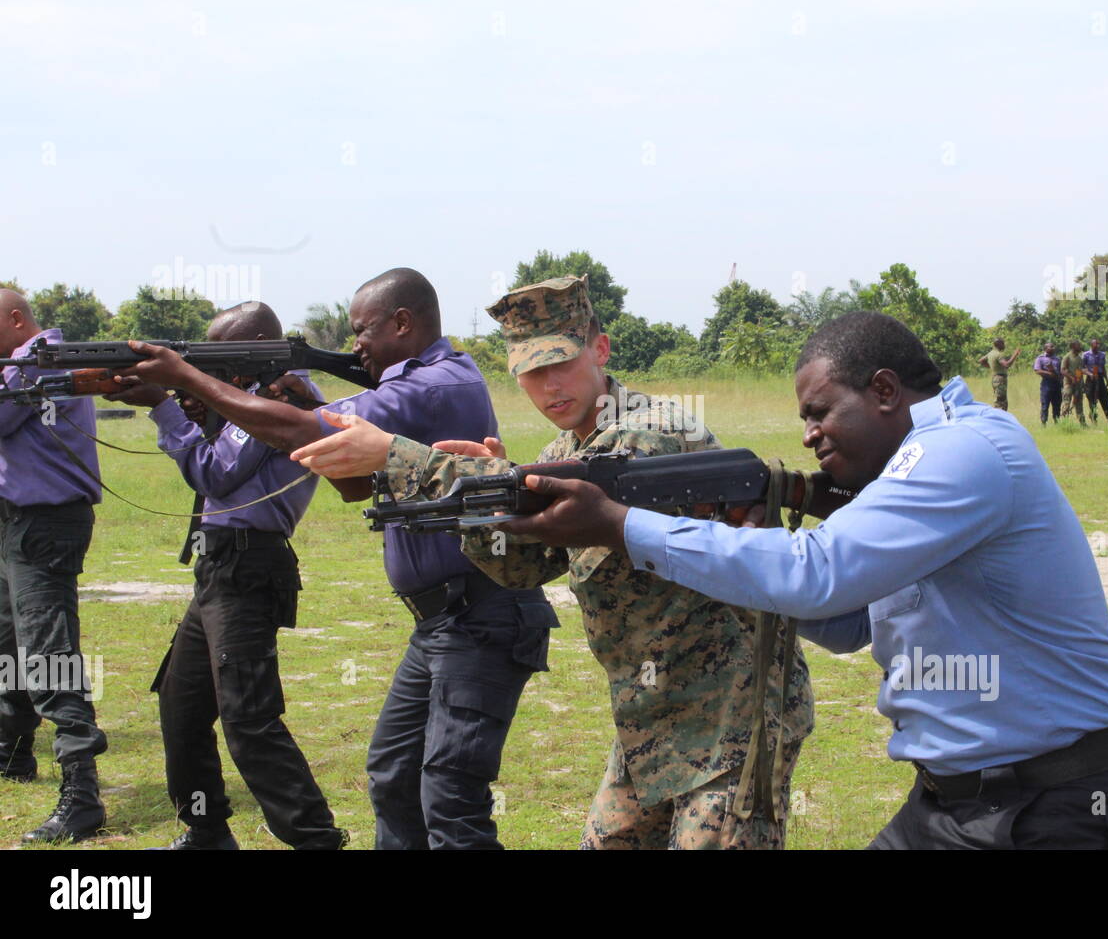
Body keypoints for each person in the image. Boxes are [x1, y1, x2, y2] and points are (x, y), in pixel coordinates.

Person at [478, 311, 1108, 850]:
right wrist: (746, 538)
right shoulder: (907, 468)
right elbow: (846, 624)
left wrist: (621, 523)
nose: (808, 435)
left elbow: (818, 576)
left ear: (885, 390)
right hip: (957, 802)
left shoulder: (963, 451)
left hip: (1063, 804)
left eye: (820, 412)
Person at [292, 276, 815, 849]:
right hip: (651, 712)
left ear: (601, 351)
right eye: (529, 372)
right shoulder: (559, 454)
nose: (548, 387)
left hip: (735, 708)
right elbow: (526, 568)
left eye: (559, 364)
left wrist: (397, 455)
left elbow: (595, 485)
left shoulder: (655, 429)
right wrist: (486, 496)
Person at [118, 268, 557, 850]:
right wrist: (296, 404)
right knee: (394, 778)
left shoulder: (431, 385)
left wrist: (187, 379)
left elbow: (284, 439)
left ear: (403, 323)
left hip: (478, 613)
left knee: (450, 800)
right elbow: (351, 483)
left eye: (363, 331)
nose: (355, 346)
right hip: (440, 620)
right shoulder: (404, 387)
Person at [105, 302, 347, 850]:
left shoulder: (281, 396)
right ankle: (207, 829)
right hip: (218, 568)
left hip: (249, 566)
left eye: (222, 357)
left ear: (259, 345)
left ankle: (316, 839)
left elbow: (214, 472)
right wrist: (192, 407)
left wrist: (165, 408)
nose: (214, 373)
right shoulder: (246, 395)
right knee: (181, 704)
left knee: (248, 719)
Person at [0, 288, 109, 843]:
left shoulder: (41, 362)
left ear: (16, 320)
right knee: (10, 643)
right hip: (17, 518)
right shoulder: (23, 363)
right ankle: (14, 751)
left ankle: (83, 793)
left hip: (45, 523)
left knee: (48, 655)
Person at [979, 338, 1019, 411]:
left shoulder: (991, 353)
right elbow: (1006, 365)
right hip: (1000, 379)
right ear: (999, 344)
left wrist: (992, 367)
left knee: (1001, 400)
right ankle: (997, 419)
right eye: (1003, 343)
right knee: (1000, 402)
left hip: (994, 379)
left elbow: (981, 361)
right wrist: (1015, 355)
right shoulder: (999, 354)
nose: (1004, 345)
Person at [1082, 338, 1108, 424]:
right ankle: (1093, 419)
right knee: (1092, 401)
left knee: (1105, 399)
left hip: (1100, 378)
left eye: (1099, 344)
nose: (1098, 346)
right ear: (1091, 345)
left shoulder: (1102, 355)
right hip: (1090, 379)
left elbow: (1103, 368)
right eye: (1096, 344)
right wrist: (1089, 374)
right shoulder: (1086, 355)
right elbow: (1082, 368)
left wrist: (1106, 380)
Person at [1033, 342, 1061, 426]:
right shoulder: (1040, 358)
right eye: (1051, 346)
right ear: (1045, 348)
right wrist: (1049, 373)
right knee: (1045, 404)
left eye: (1053, 346)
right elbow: (1037, 370)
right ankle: (1044, 423)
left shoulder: (1057, 359)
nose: (1053, 348)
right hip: (1046, 384)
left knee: (1057, 404)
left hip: (1056, 383)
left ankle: (1057, 422)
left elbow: (1060, 372)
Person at [1059, 341, 1086, 425]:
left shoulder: (1079, 358)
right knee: (1066, 403)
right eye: (1078, 345)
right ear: (1073, 346)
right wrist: (1071, 378)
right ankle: (1064, 423)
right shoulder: (1067, 357)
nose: (1080, 346)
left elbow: (1080, 371)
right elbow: (1062, 370)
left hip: (1078, 384)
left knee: (1079, 404)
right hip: (1068, 384)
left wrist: (1081, 383)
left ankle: (1082, 423)